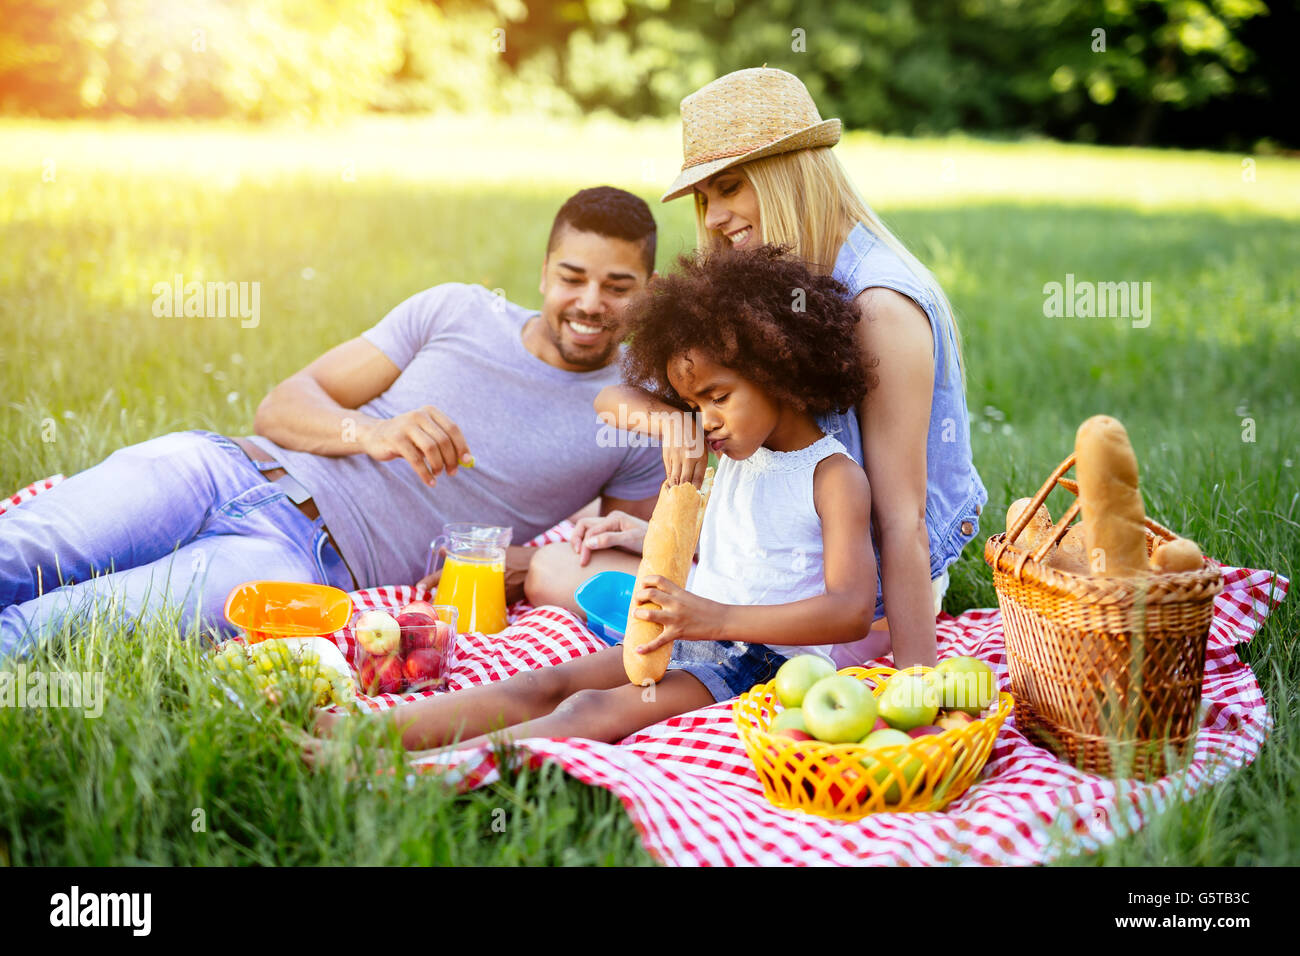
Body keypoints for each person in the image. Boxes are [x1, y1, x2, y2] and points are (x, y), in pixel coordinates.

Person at [0, 187, 666, 658]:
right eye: (572, 278)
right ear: (545, 272)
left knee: (46, 631)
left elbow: (621, 562)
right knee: (18, 553)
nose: (589, 304)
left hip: (298, 561)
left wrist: (525, 560)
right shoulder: (457, 311)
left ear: (651, 290)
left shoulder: (643, 411)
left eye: (617, 286)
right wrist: (370, 433)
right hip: (217, 468)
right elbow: (283, 404)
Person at [304, 245, 876, 760]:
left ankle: (404, 776)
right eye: (692, 403)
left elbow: (849, 610)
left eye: (717, 398)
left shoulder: (833, 477)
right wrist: (672, 423)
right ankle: (359, 735)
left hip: (765, 666)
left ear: (778, 371)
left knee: (586, 712)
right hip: (694, 633)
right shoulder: (733, 441)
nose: (704, 419)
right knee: (540, 684)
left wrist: (715, 617)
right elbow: (611, 398)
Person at [528, 68, 988, 670]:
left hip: (850, 601)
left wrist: (918, 687)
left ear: (788, 174)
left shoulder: (880, 306)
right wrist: (677, 429)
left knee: (586, 592)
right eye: (705, 198)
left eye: (731, 187)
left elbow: (902, 523)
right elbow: (615, 399)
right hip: (771, 562)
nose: (714, 217)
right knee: (559, 565)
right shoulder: (766, 287)